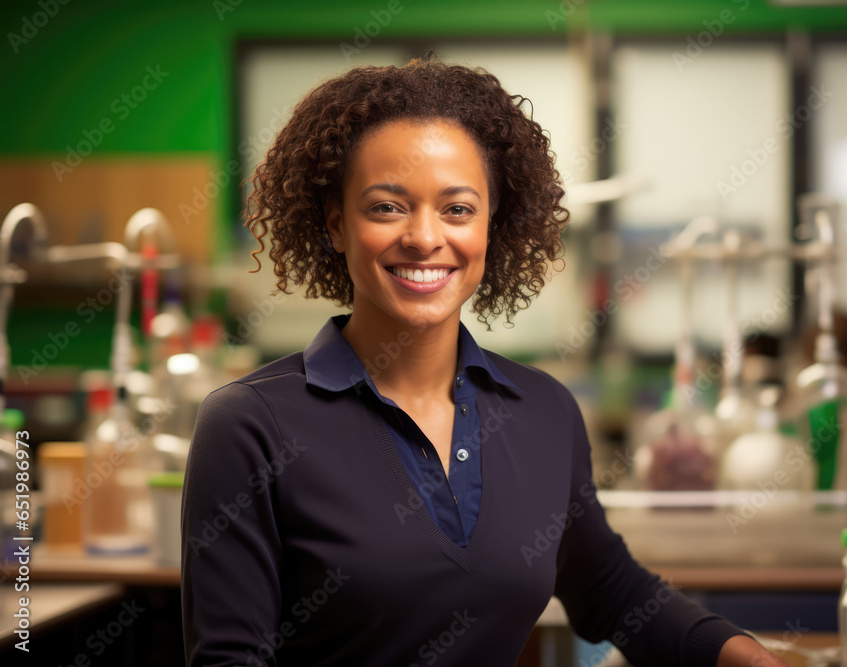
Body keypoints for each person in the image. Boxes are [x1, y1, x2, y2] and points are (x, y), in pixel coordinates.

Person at [180, 55, 787, 666]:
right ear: (336, 225)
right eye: (386, 206)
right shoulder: (251, 425)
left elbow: (612, 592)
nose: (423, 236)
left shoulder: (543, 411)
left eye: (457, 209)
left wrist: (748, 656)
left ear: (491, 227)